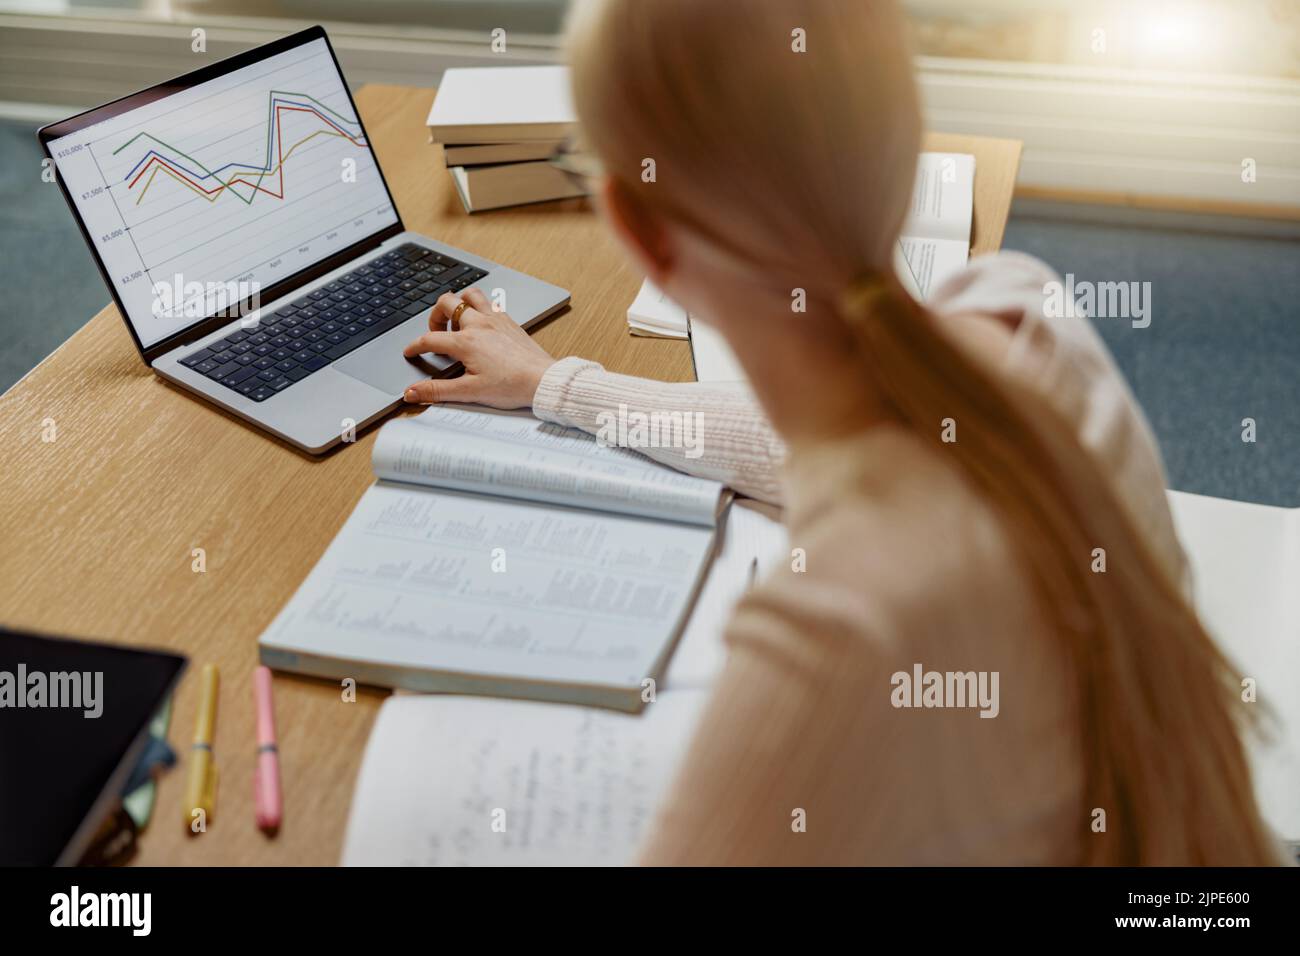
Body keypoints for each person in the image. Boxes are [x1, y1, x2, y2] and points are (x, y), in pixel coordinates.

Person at [399, 0, 1282, 864]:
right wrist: (557, 384)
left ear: (636, 227)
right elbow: (819, 439)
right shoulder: (1019, 312)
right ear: (907, 151)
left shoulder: (839, 637)